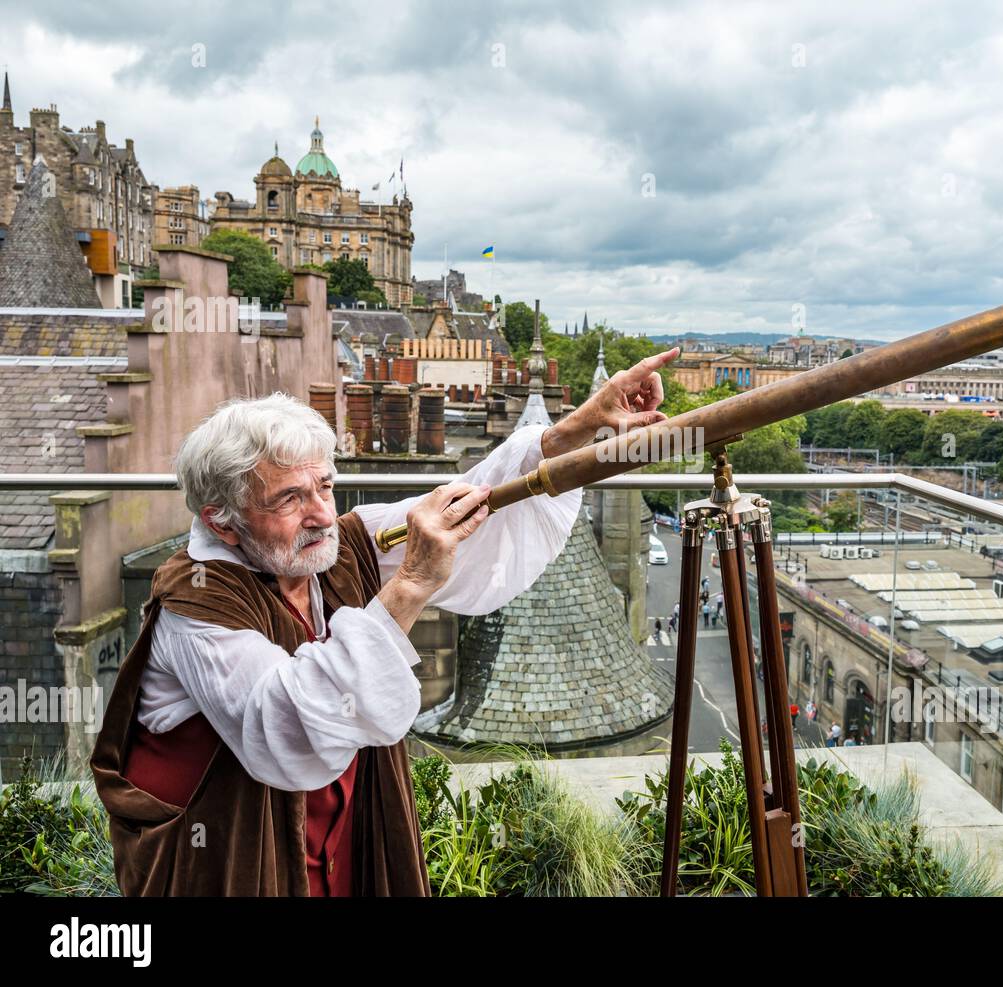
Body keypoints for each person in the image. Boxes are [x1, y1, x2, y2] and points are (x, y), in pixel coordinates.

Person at [91, 350, 680, 897]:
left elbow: (471, 504)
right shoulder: (196, 604)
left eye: (325, 484)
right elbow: (288, 731)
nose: (323, 514)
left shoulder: (333, 546)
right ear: (222, 523)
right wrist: (411, 586)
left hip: (337, 846)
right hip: (232, 863)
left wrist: (577, 430)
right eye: (290, 499)